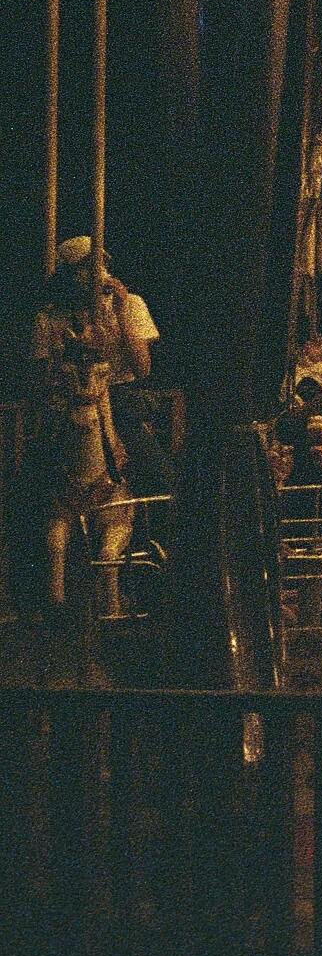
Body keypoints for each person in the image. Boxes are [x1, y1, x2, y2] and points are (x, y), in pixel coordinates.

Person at [28, 239, 140, 652]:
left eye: (97, 269)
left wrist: (120, 313)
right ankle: (36, 585)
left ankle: (154, 573)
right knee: (35, 477)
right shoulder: (49, 320)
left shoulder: (120, 309)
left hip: (117, 398)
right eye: (84, 270)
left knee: (153, 469)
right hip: (67, 403)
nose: (93, 278)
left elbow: (140, 366)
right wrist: (69, 364)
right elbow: (39, 374)